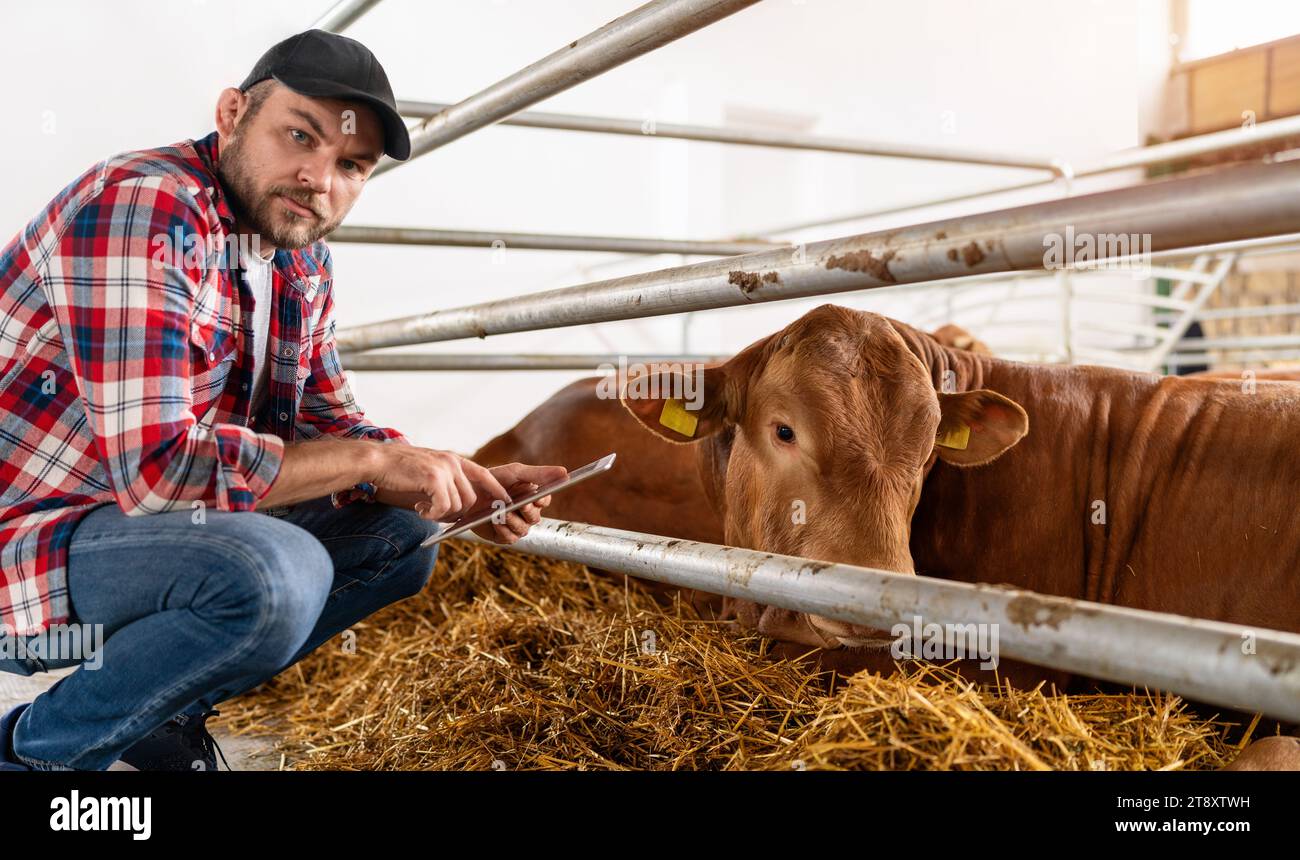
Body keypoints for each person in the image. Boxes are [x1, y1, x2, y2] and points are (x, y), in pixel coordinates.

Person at [0, 29, 565, 771]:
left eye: (351, 165)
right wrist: (370, 457)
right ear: (233, 114)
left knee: (399, 536)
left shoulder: (300, 258)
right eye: (300, 135)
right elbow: (162, 473)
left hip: (125, 541)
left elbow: (334, 421)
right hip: (27, 545)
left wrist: (445, 475)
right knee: (272, 574)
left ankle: (157, 716)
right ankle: (34, 755)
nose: (318, 179)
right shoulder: (144, 207)